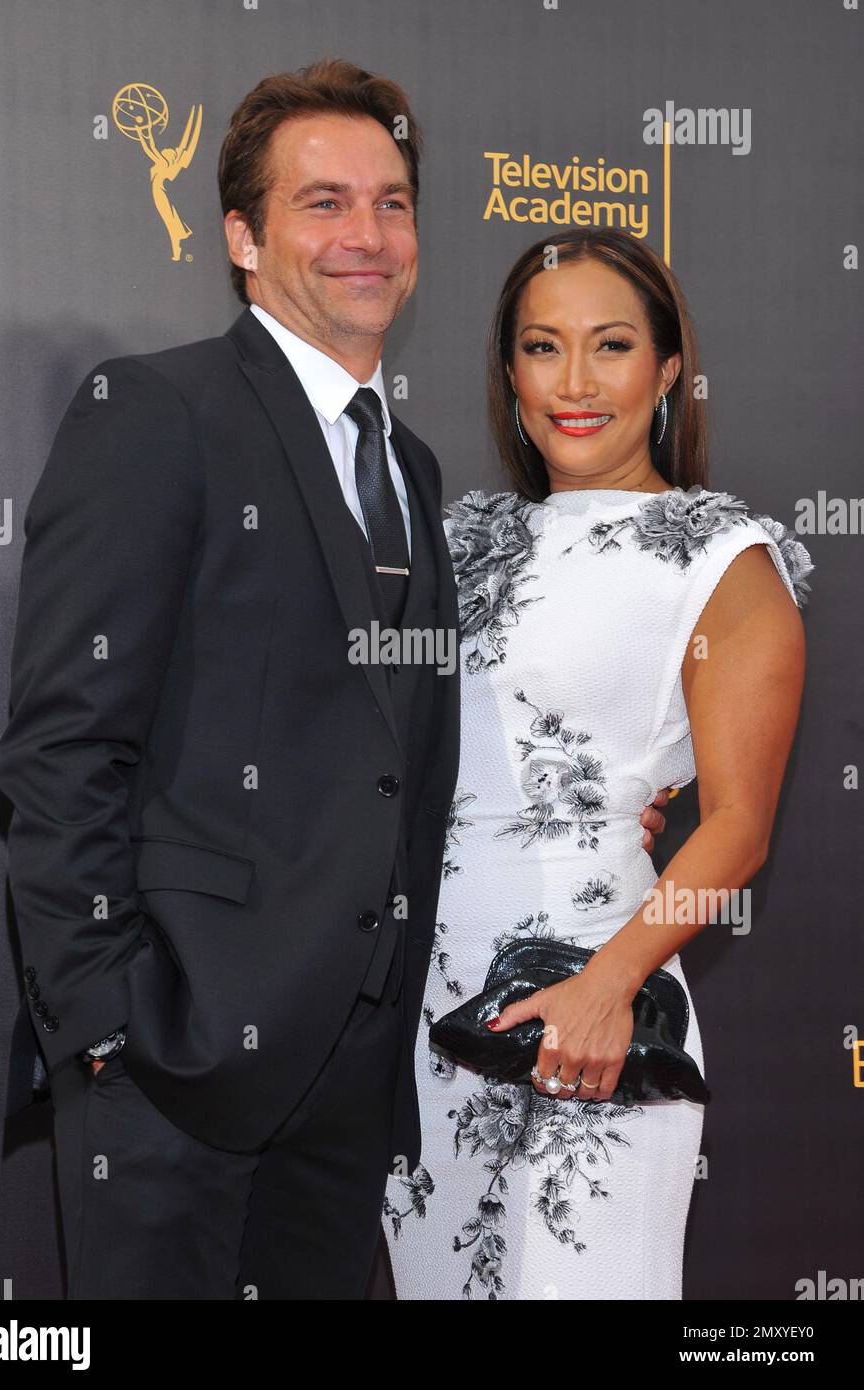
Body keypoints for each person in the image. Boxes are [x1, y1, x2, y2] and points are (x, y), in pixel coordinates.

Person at [0, 62, 669, 1300]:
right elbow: (62, 749)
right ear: (243, 238)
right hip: (172, 1072)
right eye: (323, 204)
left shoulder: (407, 464)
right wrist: (106, 1029)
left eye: (393, 203)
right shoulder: (157, 412)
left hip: (352, 1092)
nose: (367, 235)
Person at [382, 228, 813, 1300]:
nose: (573, 384)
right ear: (509, 372)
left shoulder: (719, 555)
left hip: (592, 1007)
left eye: (610, 345)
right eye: (541, 348)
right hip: (418, 1017)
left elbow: (738, 827)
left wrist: (604, 986)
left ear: (667, 368)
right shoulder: (457, 541)